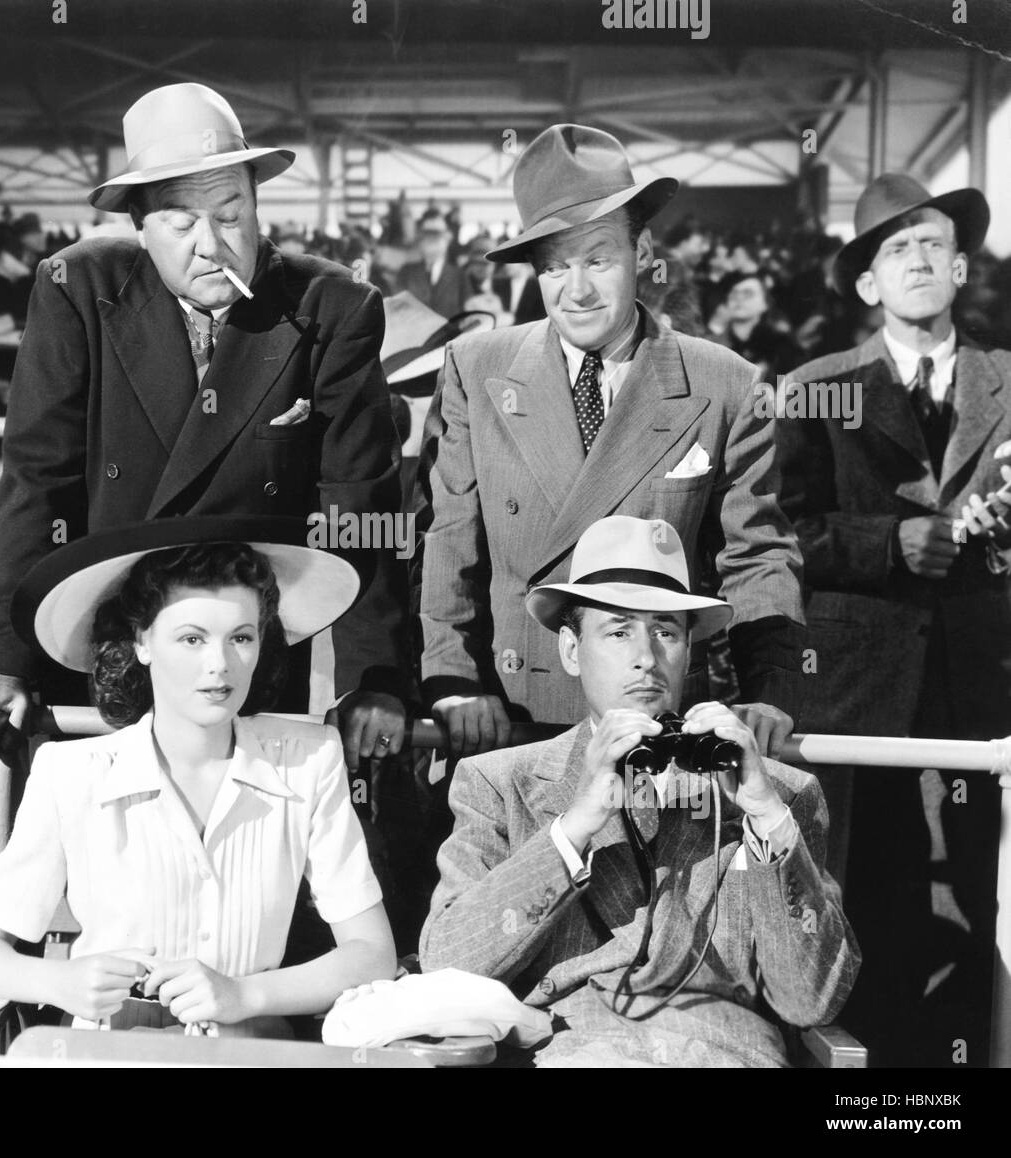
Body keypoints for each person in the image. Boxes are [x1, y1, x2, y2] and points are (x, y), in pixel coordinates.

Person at [0, 83, 411, 772]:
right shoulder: (76, 288)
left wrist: (373, 681)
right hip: (99, 649)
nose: (213, 247)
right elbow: (36, 484)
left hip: (244, 667)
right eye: (179, 223)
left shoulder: (333, 309)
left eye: (232, 214)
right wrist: (3, 661)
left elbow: (357, 505)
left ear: (259, 207)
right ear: (137, 228)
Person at [417, 125, 805, 760]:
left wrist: (768, 691)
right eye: (554, 266)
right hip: (510, 723)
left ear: (641, 250)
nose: (576, 291)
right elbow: (451, 539)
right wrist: (453, 681)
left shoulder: (724, 382)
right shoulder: (475, 368)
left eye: (597, 259)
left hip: (664, 724)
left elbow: (757, 555)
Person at [420, 516, 859, 1067]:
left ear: (689, 650)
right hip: (567, 1049)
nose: (646, 658)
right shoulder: (501, 782)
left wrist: (765, 815)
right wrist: (575, 825)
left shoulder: (780, 794)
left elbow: (811, 997)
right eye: (619, 630)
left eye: (666, 631)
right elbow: (448, 966)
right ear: (572, 650)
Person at [0, 518, 396, 1032]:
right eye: (191, 639)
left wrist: (244, 994)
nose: (220, 665)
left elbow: (372, 954)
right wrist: (59, 983)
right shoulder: (73, 773)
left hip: (250, 1055)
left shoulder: (308, 761)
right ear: (142, 642)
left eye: (241, 638)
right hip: (110, 1055)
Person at [775, 173, 1011, 1067]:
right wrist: (889, 543)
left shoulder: (1010, 383)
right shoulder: (815, 389)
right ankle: (878, 1095)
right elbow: (777, 536)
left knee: (984, 899)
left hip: (985, 690)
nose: (917, 258)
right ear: (868, 285)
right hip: (858, 702)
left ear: (960, 270)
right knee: (871, 896)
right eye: (894, 247)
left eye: (932, 244)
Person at [396, 209, 462, 319]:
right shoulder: (406, 272)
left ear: (447, 239)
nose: (432, 239)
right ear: (420, 239)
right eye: (427, 234)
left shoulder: (459, 276)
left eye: (437, 235)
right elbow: (396, 308)